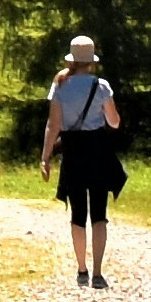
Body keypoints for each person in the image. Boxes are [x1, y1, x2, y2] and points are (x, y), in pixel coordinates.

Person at [40, 34, 131, 286]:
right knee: (99, 213)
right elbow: (114, 122)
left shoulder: (60, 85)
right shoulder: (101, 86)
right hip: (98, 150)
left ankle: (81, 269)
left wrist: (45, 157)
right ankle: (98, 272)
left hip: (72, 150)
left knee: (78, 212)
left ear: (71, 60)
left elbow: (53, 124)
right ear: (91, 62)